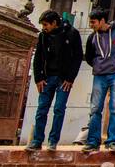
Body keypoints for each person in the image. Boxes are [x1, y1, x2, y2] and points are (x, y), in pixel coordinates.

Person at [28, 9, 83, 152]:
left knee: (59, 109)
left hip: (63, 79)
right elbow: (38, 58)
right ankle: (37, 140)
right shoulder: (42, 37)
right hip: (47, 78)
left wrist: (70, 78)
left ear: (54, 23)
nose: (44, 28)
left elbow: (77, 57)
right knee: (41, 110)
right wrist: (38, 78)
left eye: (46, 25)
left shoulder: (72, 34)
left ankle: (53, 141)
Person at [82, 8, 115, 153]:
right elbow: (89, 56)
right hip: (100, 75)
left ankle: (111, 141)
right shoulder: (92, 37)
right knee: (95, 109)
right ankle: (93, 141)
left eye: (93, 22)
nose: (91, 25)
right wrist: (99, 66)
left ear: (102, 21)